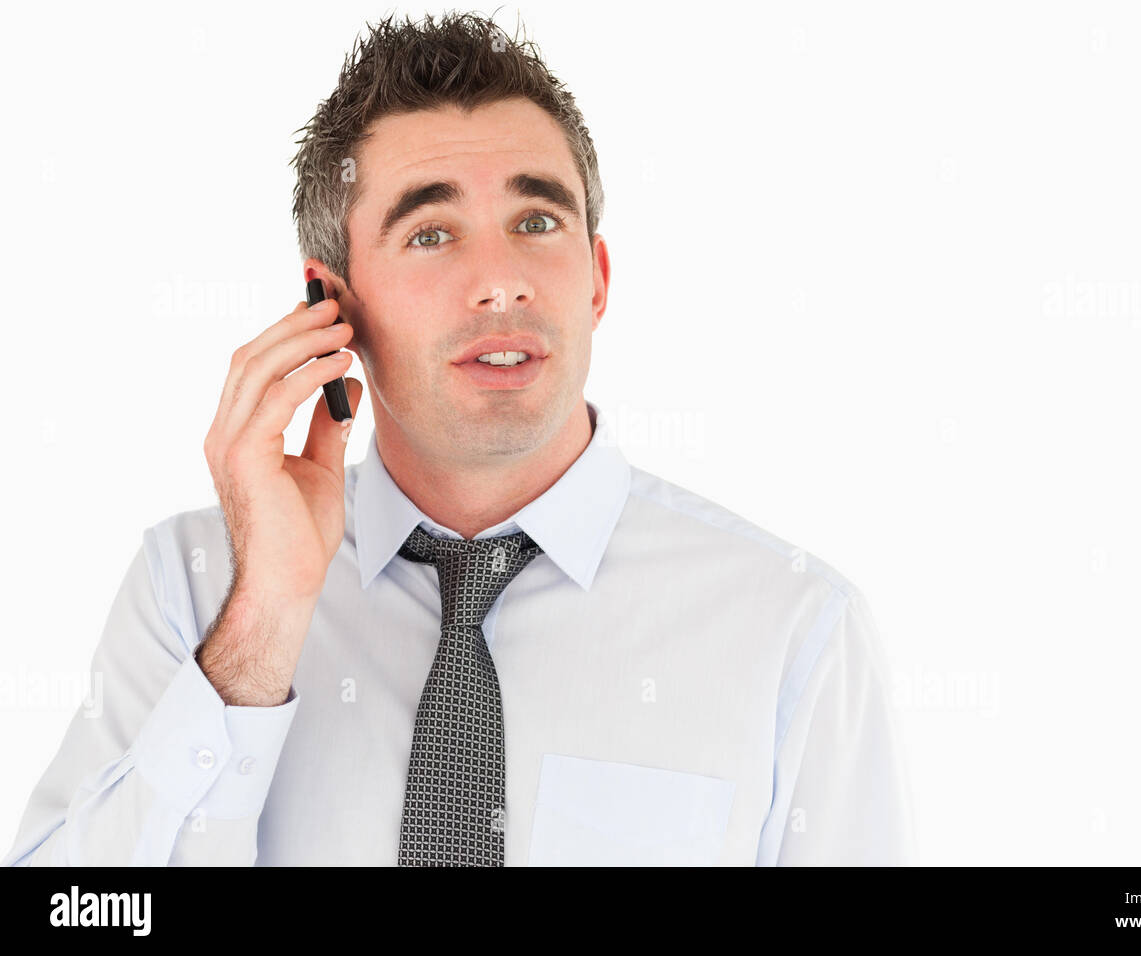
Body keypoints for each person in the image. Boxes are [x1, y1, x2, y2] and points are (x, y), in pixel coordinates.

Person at [3, 11, 916, 866]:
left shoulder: (795, 631)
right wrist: (262, 629)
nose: (499, 283)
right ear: (331, 306)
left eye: (536, 221)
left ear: (596, 279)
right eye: (432, 233)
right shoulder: (193, 588)